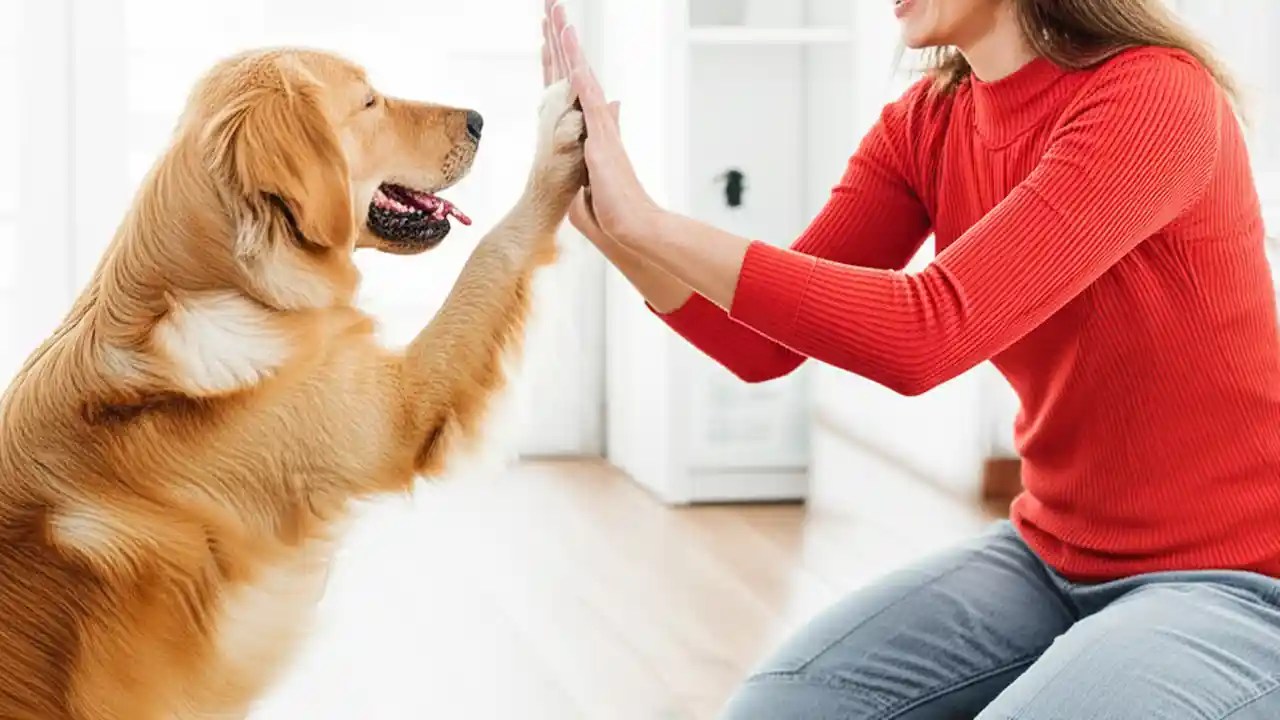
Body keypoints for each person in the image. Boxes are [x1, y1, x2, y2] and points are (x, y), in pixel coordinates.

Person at [542, 0, 1280, 717]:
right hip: (1048, 558)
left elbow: (926, 332)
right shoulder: (928, 121)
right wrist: (616, 231)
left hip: (1240, 582)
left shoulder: (1156, 97)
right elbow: (761, 344)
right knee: (779, 707)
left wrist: (652, 222)